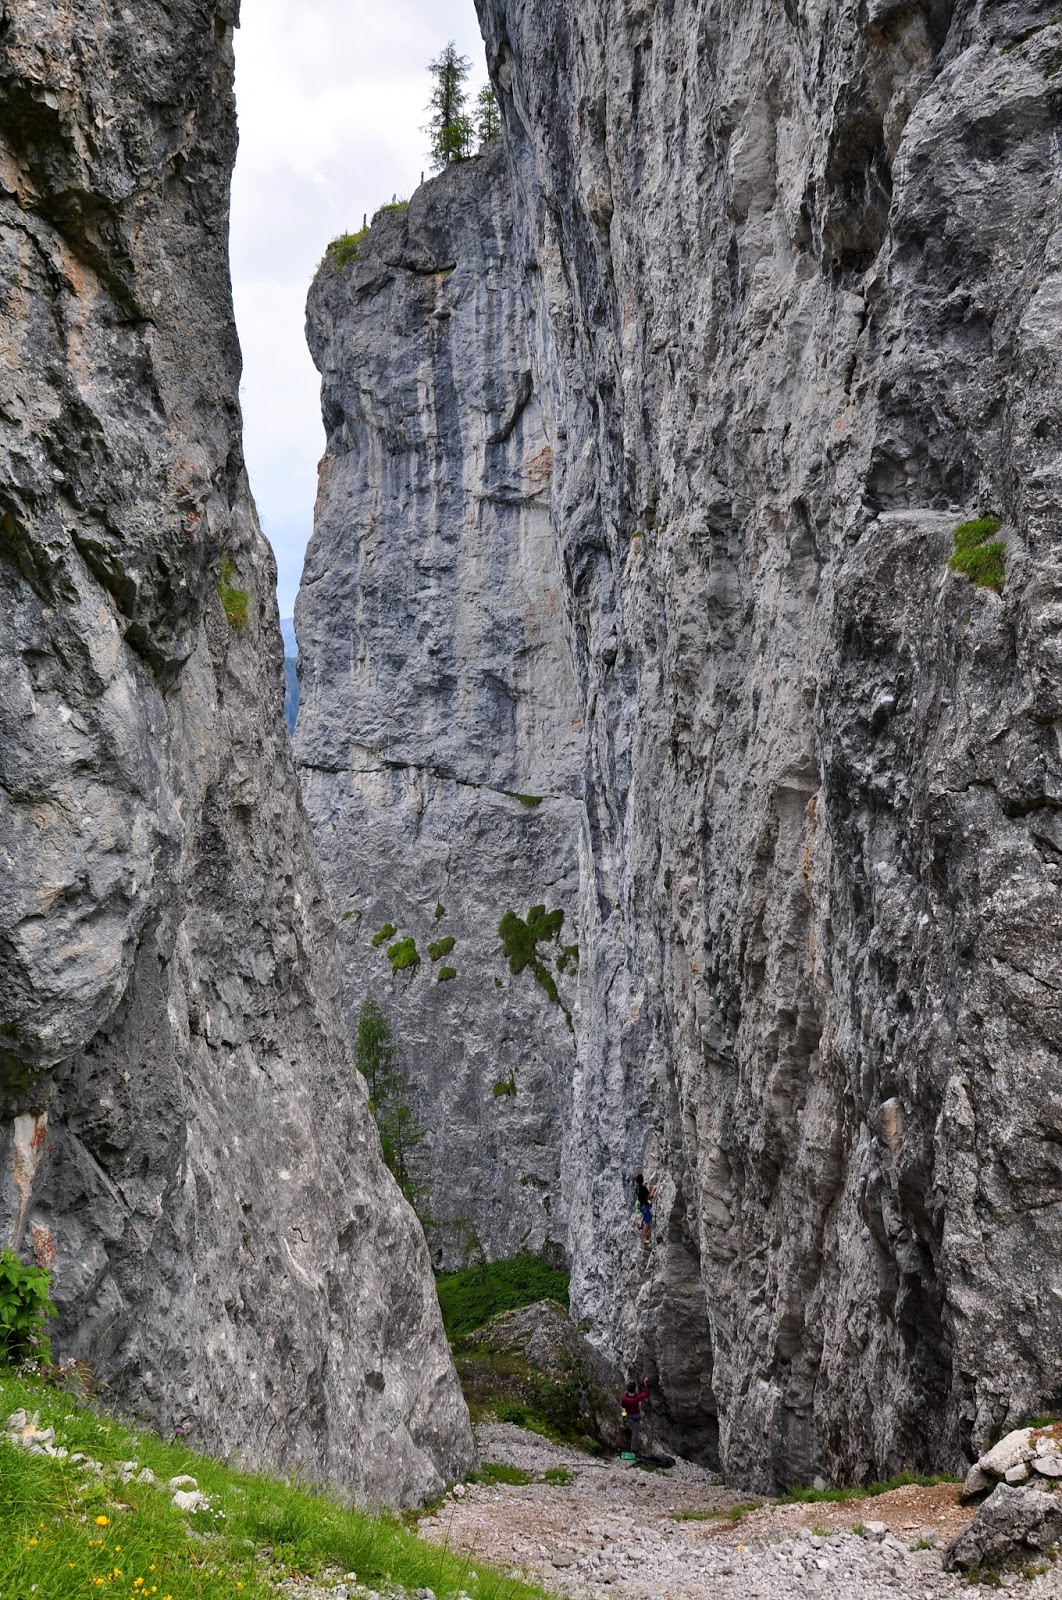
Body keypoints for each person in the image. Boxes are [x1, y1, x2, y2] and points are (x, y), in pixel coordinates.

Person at [620, 1372, 650, 1455]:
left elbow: (623, 1408)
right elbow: (647, 1393)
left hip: (628, 1415)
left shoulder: (624, 1397)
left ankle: (623, 1424)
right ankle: (633, 1450)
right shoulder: (638, 1397)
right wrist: (645, 1383)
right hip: (636, 1416)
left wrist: (624, 1417)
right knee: (635, 1434)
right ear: (635, 1389)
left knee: (623, 1413)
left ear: (628, 1389)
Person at [634, 1172, 655, 1245]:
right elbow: (650, 1197)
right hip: (644, 1206)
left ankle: (640, 1225)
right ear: (642, 1180)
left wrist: (644, 1185)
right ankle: (644, 1239)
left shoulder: (638, 1188)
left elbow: (641, 1194)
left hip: (640, 1205)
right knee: (647, 1222)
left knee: (644, 1214)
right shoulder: (643, 1188)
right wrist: (653, 1189)